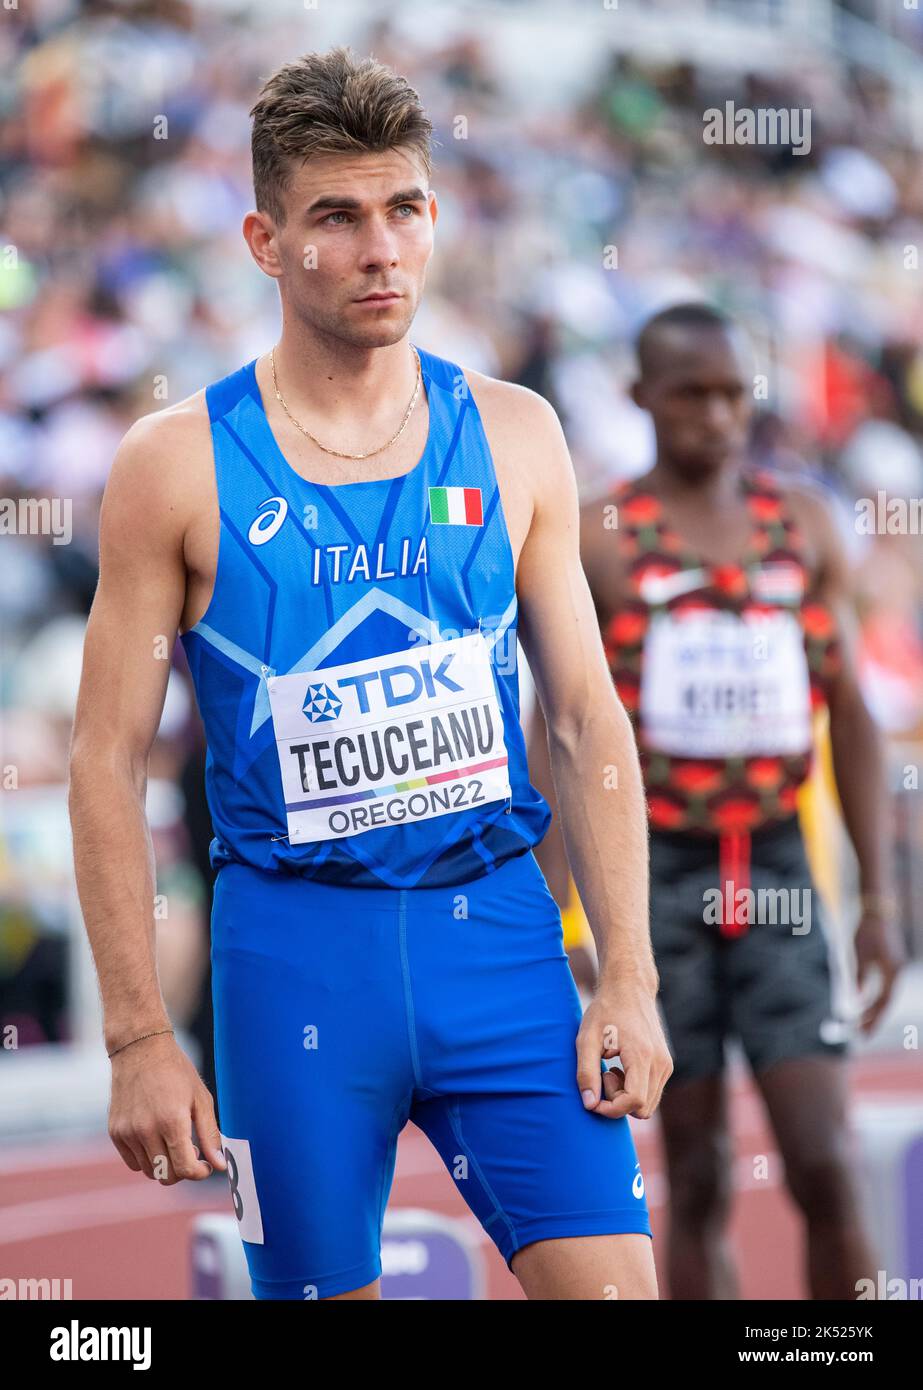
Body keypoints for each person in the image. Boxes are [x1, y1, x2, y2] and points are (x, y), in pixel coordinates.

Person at [67, 47, 671, 1302]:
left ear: (434, 215)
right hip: (292, 960)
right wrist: (136, 1037)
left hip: (499, 938)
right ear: (264, 240)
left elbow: (581, 715)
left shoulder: (515, 432)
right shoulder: (175, 465)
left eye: (402, 209)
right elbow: (105, 760)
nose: (379, 249)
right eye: (335, 218)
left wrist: (626, 970)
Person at [531, 302, 904, 1300]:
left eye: (733, 394)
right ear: (640, 397)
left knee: (823, 1160)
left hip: (775, 868)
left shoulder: (802, 524)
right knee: (693, 1175)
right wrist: (559, 913)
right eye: (690, 394)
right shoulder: (603, 538)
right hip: (656, 877)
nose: (716, 416)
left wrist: (877, 901)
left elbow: (851, 714)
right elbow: (559, 729)